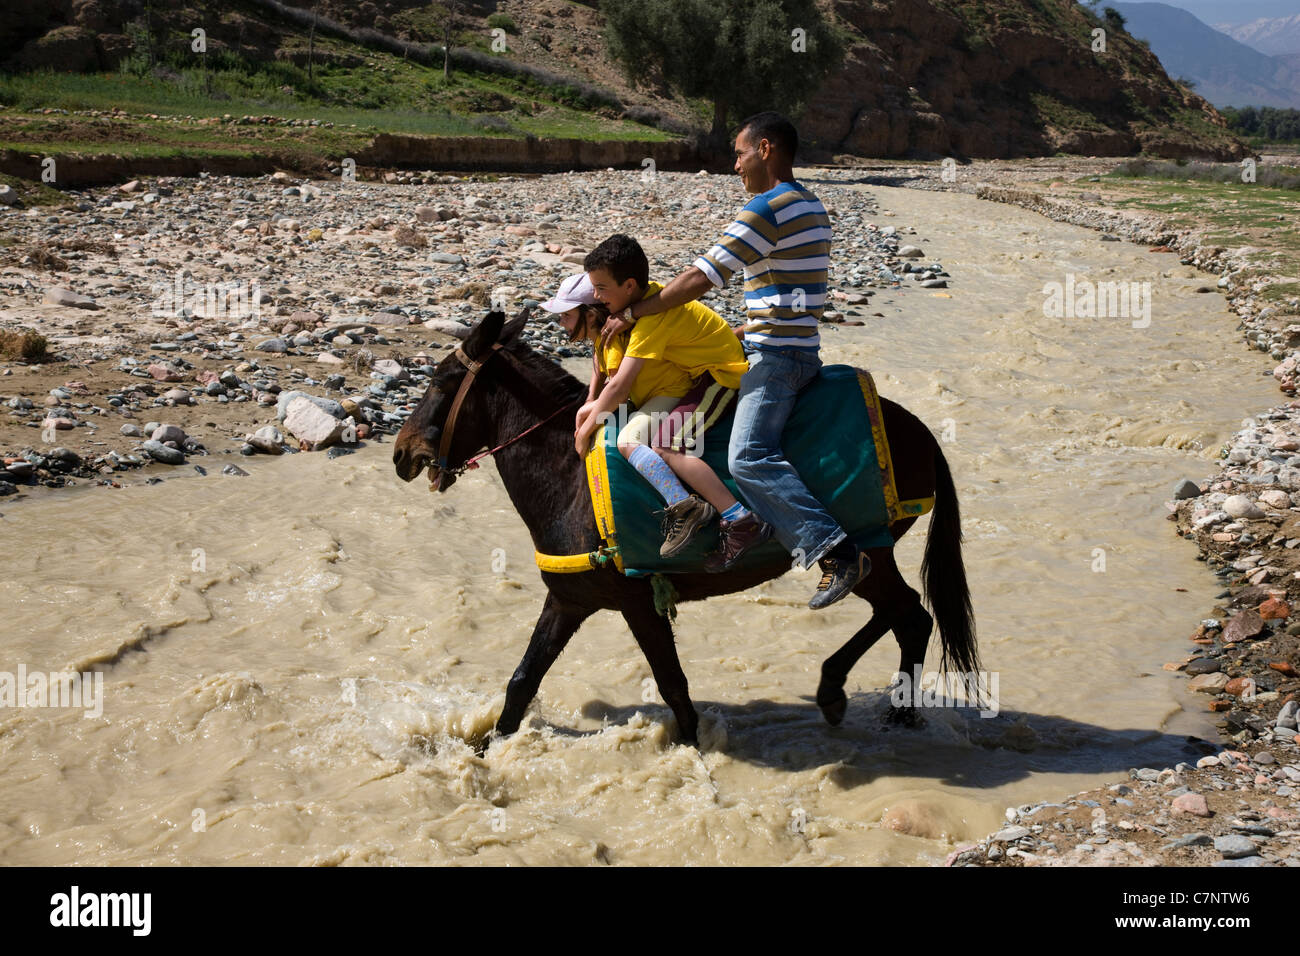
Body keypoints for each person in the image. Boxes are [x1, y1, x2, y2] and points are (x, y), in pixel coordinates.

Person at [601, 112, 867, 609]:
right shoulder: (811, 204)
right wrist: (740, 331)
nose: (736, 167)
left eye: (740, 155)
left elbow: (701, 277)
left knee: (748, 455)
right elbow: (793, 296)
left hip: (777, 359)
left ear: (765, 150)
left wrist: (639, 310)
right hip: (792, 345)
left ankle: (833, 549)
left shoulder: (766, 208)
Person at [559, 236, 752, 558]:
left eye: (601, 289)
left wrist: (585, 430)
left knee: (663, 445)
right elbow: (605, 373)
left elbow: (619, 385)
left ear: (630, 285)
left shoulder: (647, 318)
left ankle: (733, 517)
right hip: (690, 375)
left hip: (717, 376)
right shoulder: (632, 313)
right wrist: (591, 403)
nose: (596, 296)